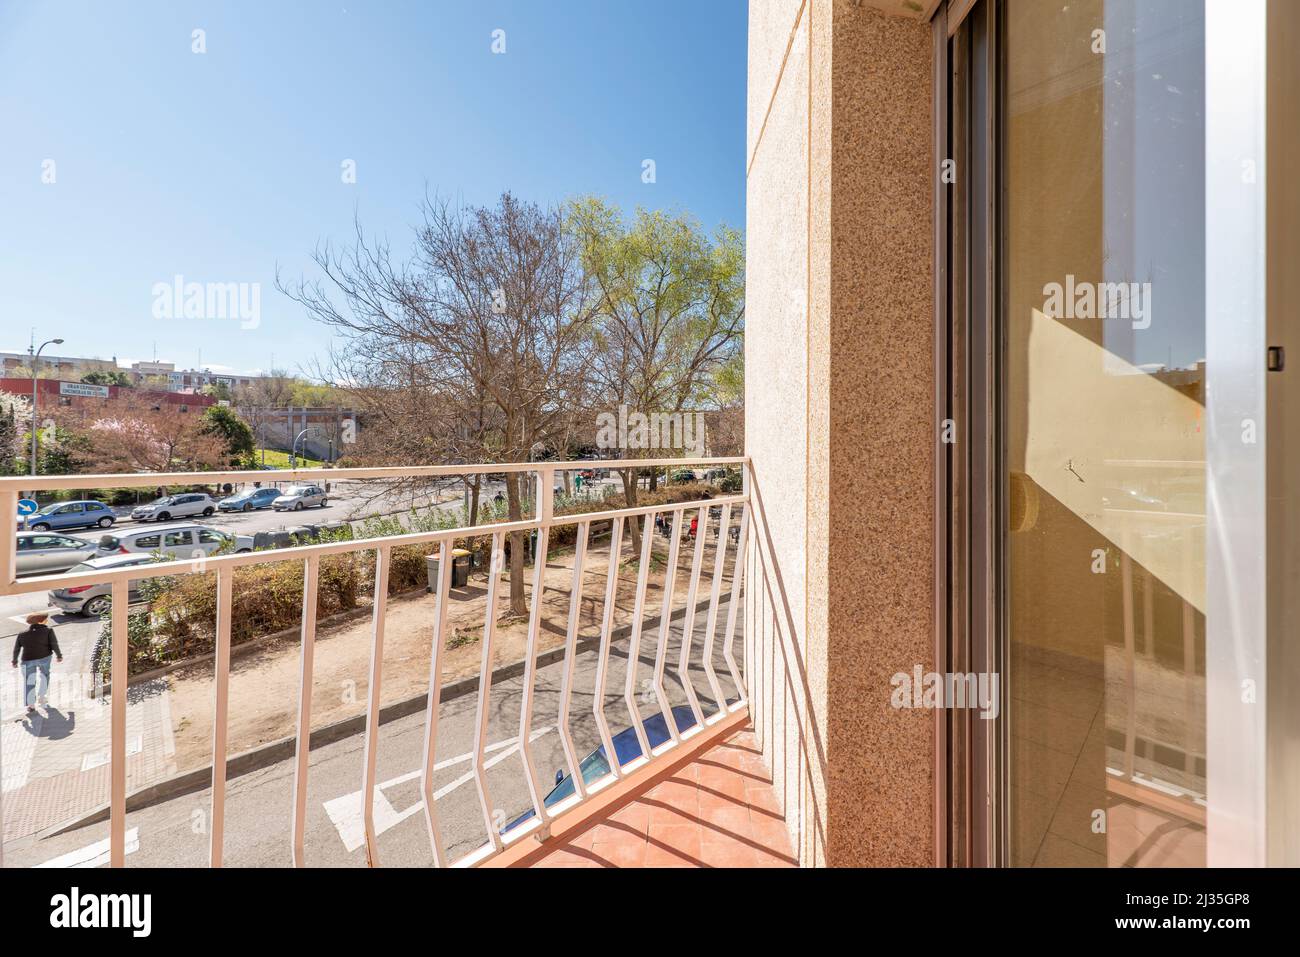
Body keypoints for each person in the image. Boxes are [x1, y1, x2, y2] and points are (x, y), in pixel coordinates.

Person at [11, 613, 62, 715]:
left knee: (29, 681)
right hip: (45, 658)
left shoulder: (22, 634)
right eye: (45, 619)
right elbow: (54, 644)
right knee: (45, 676)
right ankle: (42, 698)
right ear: (40, 621)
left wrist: (14, 661)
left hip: (27, 660)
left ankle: (31, 705)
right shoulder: (48, 630)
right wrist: (59, 655)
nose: (46, 620)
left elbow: (17, 648)